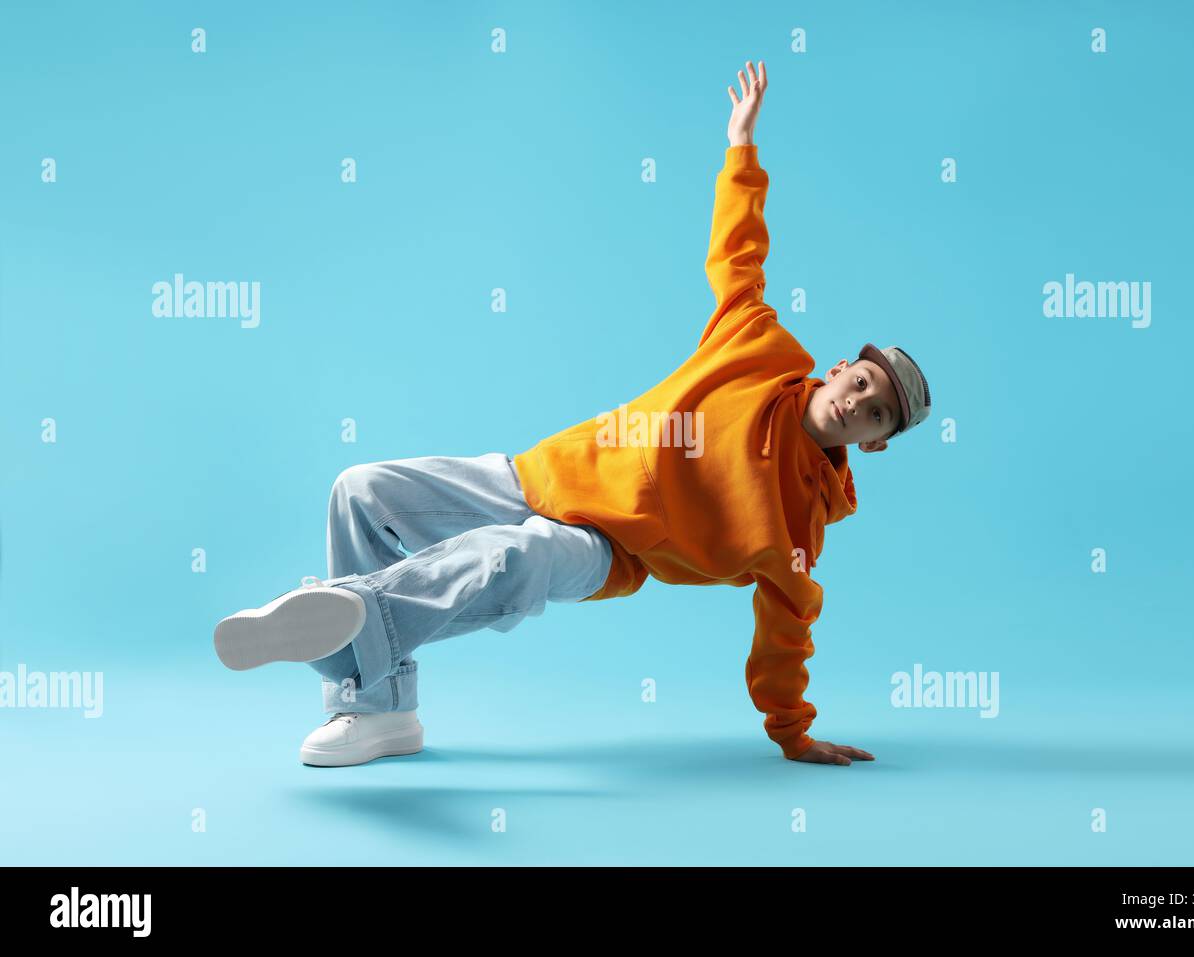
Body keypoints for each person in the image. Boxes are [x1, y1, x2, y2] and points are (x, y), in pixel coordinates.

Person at [214, 60, 932, 768]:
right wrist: (741, 148)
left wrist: (793, 731)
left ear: (875, 445)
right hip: (553, 471)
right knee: (361, 488)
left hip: (612, 551)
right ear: (840, 368)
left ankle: (347, 630)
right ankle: (379, 709)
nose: (859, 403)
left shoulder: (798, 531)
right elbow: (739, 253)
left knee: (515, 556)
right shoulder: (760, 345)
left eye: (877, 416)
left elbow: (787, 634)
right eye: (863, 382)